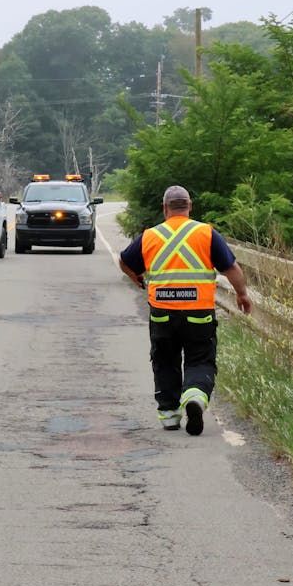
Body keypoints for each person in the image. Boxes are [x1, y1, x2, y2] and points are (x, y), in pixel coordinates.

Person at [118, 185, 252, 435]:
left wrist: (136, 278)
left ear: (164, 208)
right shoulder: (206, 233)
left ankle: (169, 415)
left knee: (165, 361)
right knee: (200, 359)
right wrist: (242, 295)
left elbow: (125, 261)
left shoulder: (150, 236)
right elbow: (231, 268)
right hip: (198, 313)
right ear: (189, 206)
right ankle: (195, 397)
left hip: (162, 313)